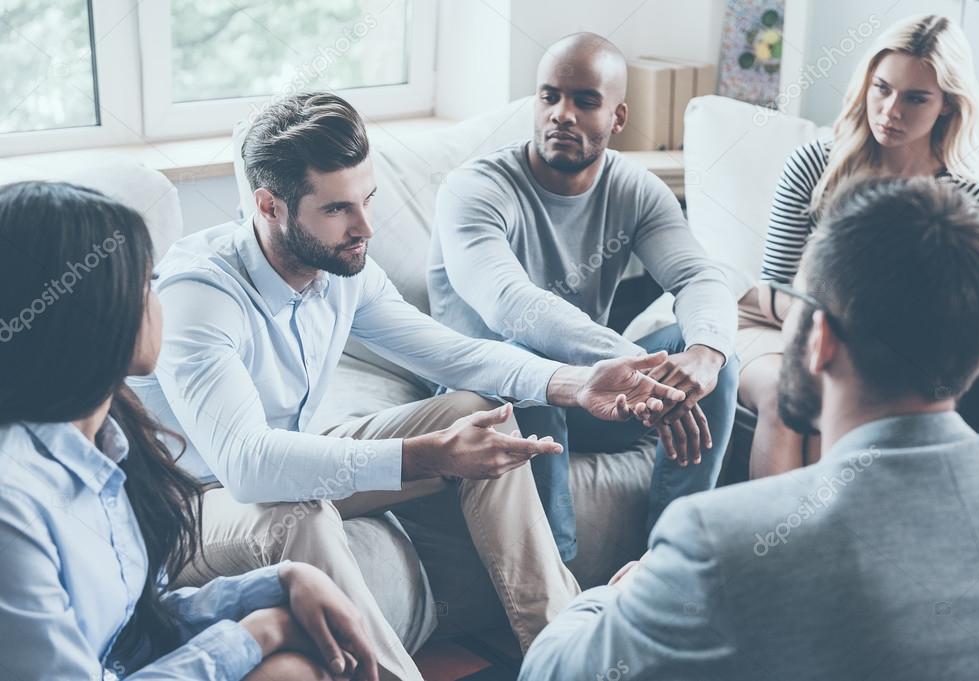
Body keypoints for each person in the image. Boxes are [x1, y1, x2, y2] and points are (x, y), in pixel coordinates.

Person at [127, 92, 687, 677]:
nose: (365, 227)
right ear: (270, 206)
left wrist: (573, 383)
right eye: (338, 209)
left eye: (368, 199)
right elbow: (248, 466)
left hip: (280, 468)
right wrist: (421, 457)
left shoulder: (341, 268)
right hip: (185, 509)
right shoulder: (199, 298)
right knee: (301, 515)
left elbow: (450, 353)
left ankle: (564, 655)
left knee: (473, 411)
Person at [520, 176, 979, 681]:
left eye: (794, 302)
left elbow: (550, 673)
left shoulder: (715, 543)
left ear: (819, 338)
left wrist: (617, 596)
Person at [0, 181, 380, 681]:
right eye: (145, 283)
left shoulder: (114, 442)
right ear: (92, 310)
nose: (159, 300)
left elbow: (131, 632)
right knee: (289, 668)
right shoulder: (15, 505)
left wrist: (283, 580)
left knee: (295, 664)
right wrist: (257, 632)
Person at [427, 32, 739, 561]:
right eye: (550, 96)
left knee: (714, 359)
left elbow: (699, 278)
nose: (562, 115)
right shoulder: (475, 188)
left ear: (618, 117)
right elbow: (510, 303)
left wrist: (706, 355)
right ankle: (560, 598)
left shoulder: (634, 189)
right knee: (535, 374)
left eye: (584, 101)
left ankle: (666, 567)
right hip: (487, 395)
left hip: (599, 395)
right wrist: (635, 370)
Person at [738, 13, 979, 479]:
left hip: (904, 343)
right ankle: (781, 541)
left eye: (915, 98)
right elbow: (779, 283)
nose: (891, 111)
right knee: (797, 392)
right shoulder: (815, 165)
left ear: (947, 104)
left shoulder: (968, 198)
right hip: (793, 323)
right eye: (882, 88)